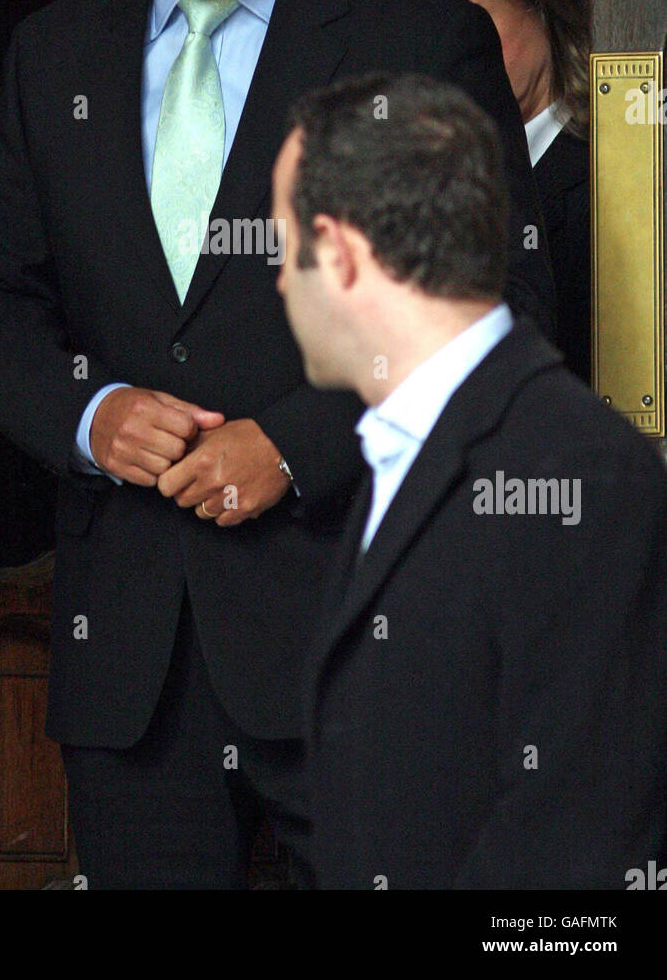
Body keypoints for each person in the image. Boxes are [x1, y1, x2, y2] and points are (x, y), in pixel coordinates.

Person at [0, 0, 553, 890]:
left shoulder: (420, 41)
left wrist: (302, 442)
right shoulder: (54, 56)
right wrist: (90, 409)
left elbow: (503, 305)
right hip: (133, 671)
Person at [272, 72, 667, 889]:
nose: (277, 279)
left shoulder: (578, 472)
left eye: (284, 245)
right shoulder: (398, 448)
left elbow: (580, 844)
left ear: (338, 255)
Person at [359, 0, 590, 381]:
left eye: (471, 29)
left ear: (549, 9)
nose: (444, 57)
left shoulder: (615, 182)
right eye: (417, 36)